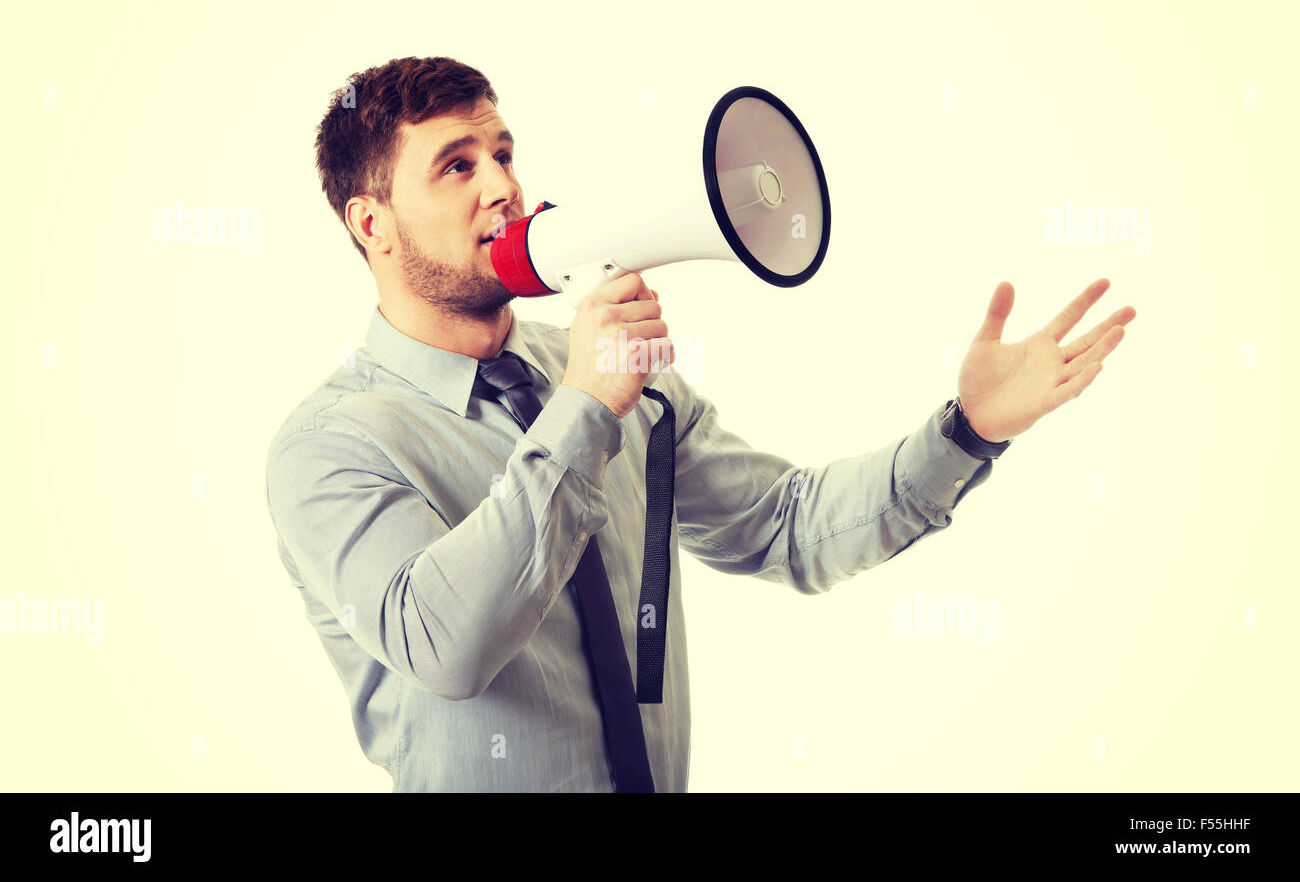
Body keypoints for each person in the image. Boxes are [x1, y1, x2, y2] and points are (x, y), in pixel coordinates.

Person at [264, 55, 1136, 792]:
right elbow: (446, 647)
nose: (505, 187)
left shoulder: (610, 375)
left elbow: (787, 528)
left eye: (503, 152)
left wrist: (967, 431)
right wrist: (582, 410)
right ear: (371, 222)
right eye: (457, 165)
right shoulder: (332, 445)